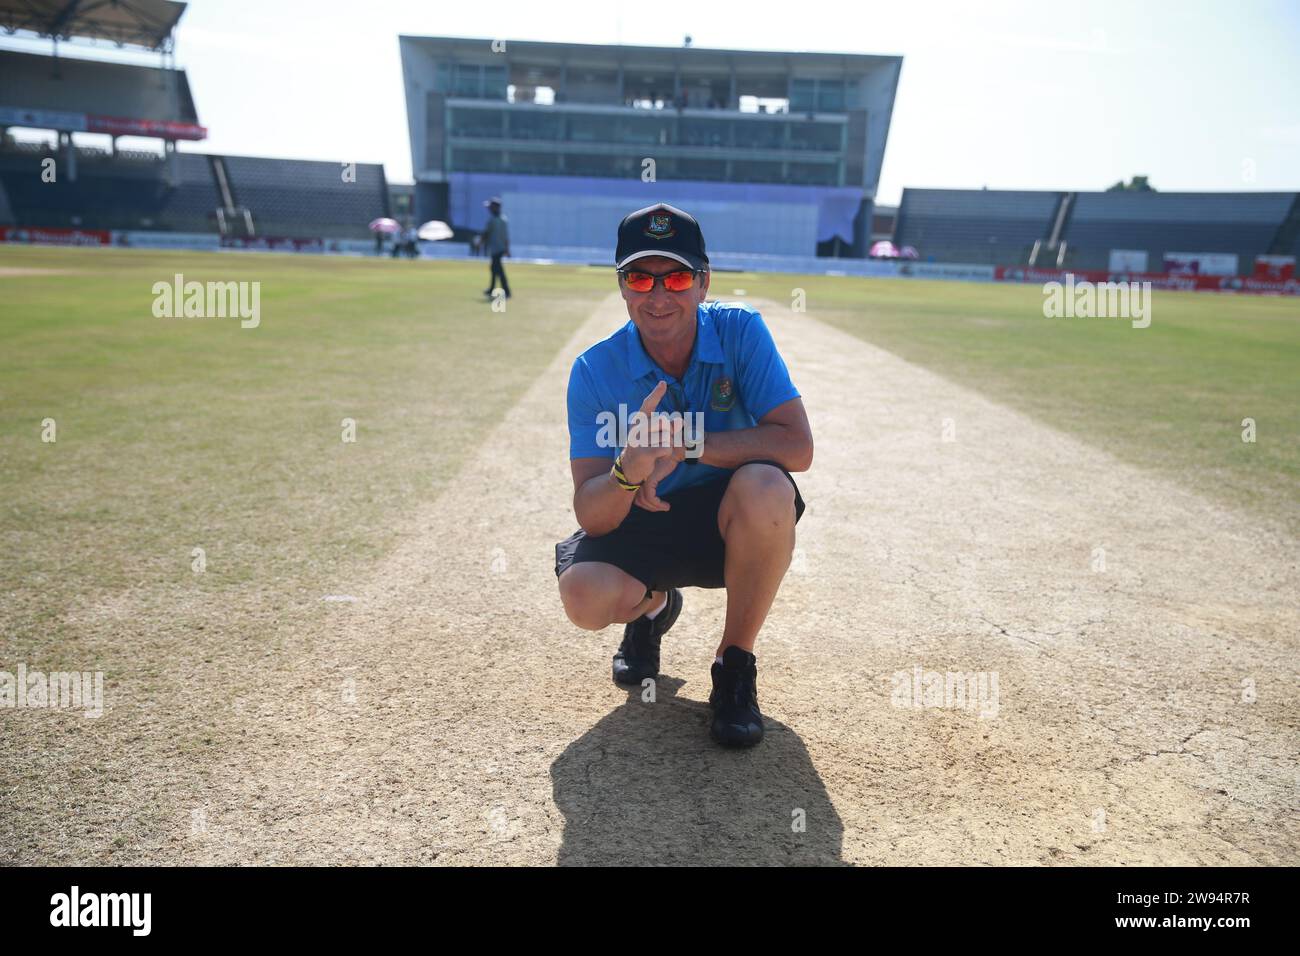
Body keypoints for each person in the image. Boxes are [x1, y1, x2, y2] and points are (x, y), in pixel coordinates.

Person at [554, 202, 813, 747]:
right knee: (583, 598)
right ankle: (653, 606)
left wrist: (688, 444)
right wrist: (630, 470)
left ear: (703, 283)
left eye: (675, 276)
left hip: (728, 518)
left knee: (767, 486)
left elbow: (797, 446)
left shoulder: (740, 332)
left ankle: (734, 666)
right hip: (641, 521)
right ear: (622, 286)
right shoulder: (594, 370)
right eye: (639, 278)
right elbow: (591, 515)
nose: (658, 295)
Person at [479, 197, 511, 299]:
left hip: (496, 248)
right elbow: (506, 237)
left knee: (498, 270)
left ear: (495, 208)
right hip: (499, 248)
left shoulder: (494, 220)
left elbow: (486, 233)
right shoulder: (503, 219)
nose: (489, 209)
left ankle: (506, 291)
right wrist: (507, 249)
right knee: (494, 269)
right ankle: (492, 289)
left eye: (491, 207)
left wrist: (480, 242)